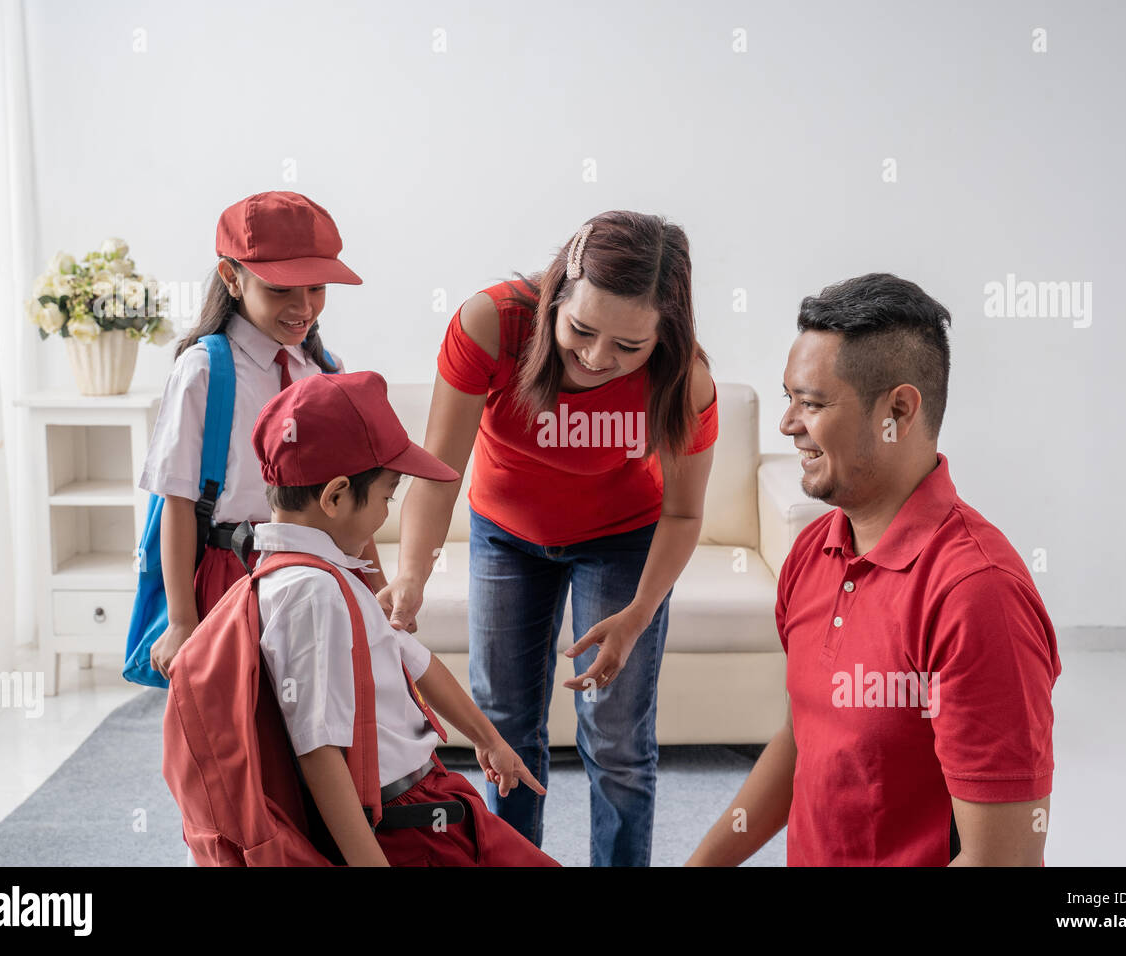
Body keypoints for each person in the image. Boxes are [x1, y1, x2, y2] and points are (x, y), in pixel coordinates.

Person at [379, 211, 719, 866]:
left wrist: (637, 615)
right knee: (503, 722)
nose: (596, 358)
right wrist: (414, 573)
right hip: (506, 534)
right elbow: (439, 470)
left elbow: (682, 515)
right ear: (557, 292)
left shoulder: (685, 381)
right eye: (582, 331)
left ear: (665, 335)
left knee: (617, 736)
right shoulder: (492, 324)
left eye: (629, 346)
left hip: (624, 539)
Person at [687, 273, 1060, 867]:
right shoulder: (812, 553)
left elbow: (1002, 861)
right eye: (788, 397)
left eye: (811, 403)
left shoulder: (977, 595)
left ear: (898, 410)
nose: (787, 424)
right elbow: (803, 740)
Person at [251, 369, 559, 866]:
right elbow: (318, 752)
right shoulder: (309, 593)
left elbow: (415, 660)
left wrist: (491, 741)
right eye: (387, 496)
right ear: (335, 496)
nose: (386, 513)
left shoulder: (331, 573)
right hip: (401, 823)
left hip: (430, 794)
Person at [140, 190, 379, 680]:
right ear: (232, 278)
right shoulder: (205, 370)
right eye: (280, 290)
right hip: (234, 574)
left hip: (319, 572)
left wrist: (376, 594)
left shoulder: (325, 370)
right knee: (242, 732)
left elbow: (351, 496)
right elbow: (178, 502)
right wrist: (184, 620)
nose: (304, 306)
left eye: (317, 288)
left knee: (318, 729)